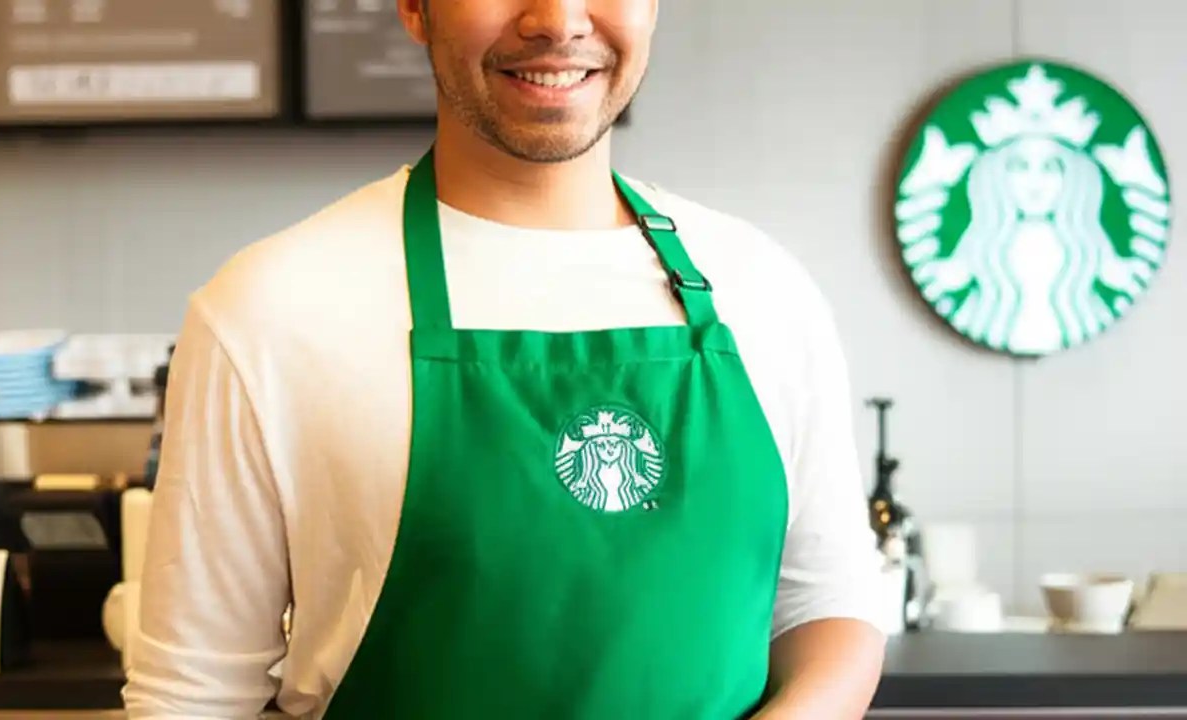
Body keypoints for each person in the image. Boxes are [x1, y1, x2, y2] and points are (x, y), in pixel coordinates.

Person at [122, 0, 888, 717]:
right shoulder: (270, 308)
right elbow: (191, 698)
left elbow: (828, 607)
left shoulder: (763, 288)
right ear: (414, 6)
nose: (557, 20)